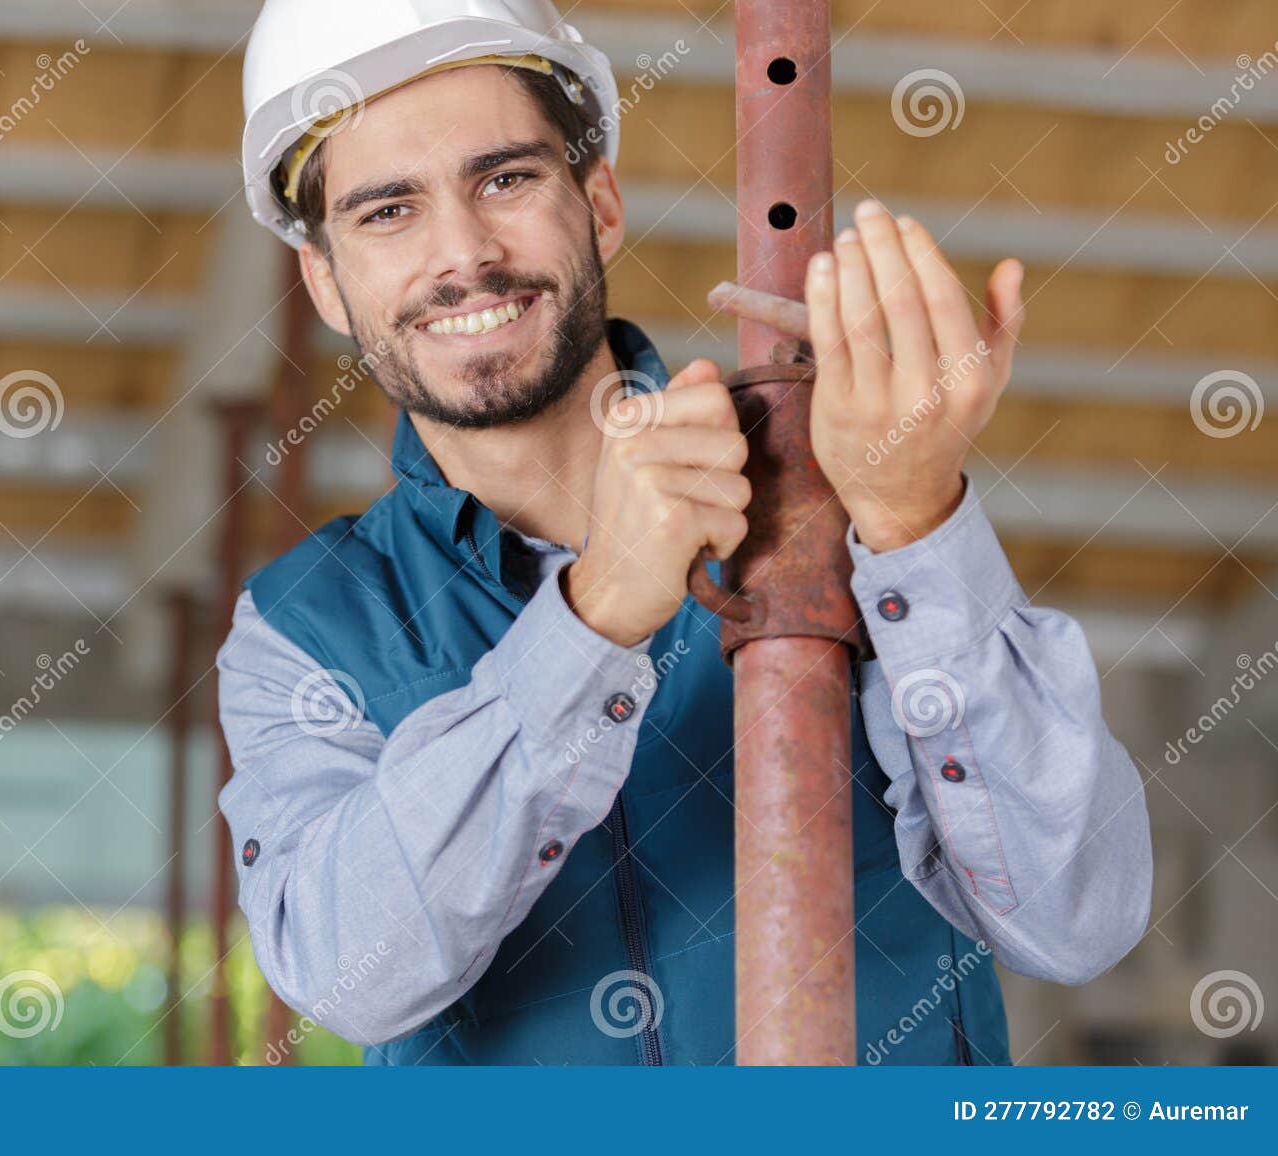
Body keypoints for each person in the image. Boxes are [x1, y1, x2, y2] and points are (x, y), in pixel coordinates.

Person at [218, 0, 1152, 1065]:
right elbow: (349, 973)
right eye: (388, 212)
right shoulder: (304, 629)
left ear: (600, 203)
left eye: (506, 178)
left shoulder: (833, 485)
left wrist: (910, 518)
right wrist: (593, 618)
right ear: (326, 281)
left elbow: (1075, 913)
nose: (464, 254)